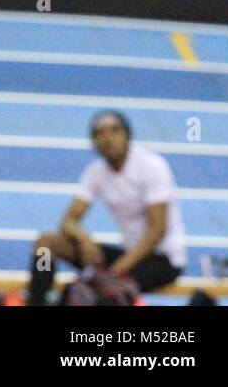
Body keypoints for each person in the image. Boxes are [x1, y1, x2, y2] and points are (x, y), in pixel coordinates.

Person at [19, 111, 185, 305]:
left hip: (161, 261)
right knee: (46, 245)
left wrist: (115, 270)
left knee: (98, 289)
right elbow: (68, 221)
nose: (107, 139)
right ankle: (36, 300)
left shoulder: (152, 166)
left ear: (127, 136)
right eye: (100, 133)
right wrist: (85, 240)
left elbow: (157, 230)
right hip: (126, 255)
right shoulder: (96, 172)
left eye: (114, 131)